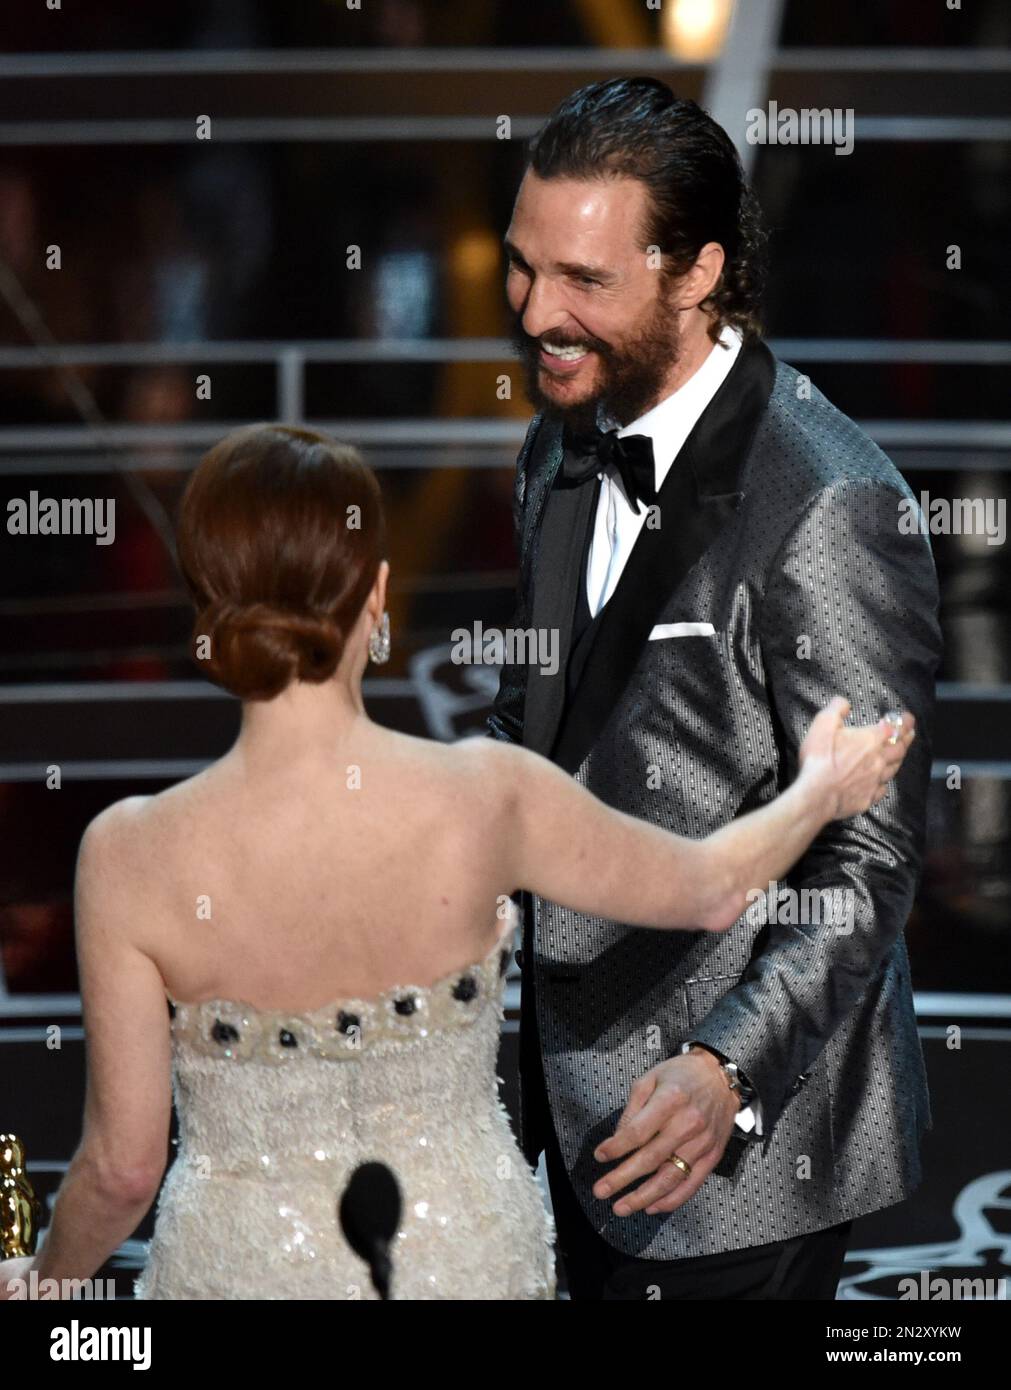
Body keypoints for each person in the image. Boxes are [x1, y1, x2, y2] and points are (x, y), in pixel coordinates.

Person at [0, 424, 912, 1301]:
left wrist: (46, 1284)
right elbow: (712, 886)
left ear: (205, 606)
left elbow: (122, 1170)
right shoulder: (487, 798)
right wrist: (817, 795)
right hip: (466, 1265)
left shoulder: (128, 854)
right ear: (377, 597)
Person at [489, 77, 941, 1300]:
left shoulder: (830, 502)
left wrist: (724, 1073)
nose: (538, 313)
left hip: (735, 1162)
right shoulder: (558, 442)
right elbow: (538, 725)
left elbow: (870, 863)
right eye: (524, 268)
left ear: (696, 274)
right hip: (554, 1114)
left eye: (586, 281)